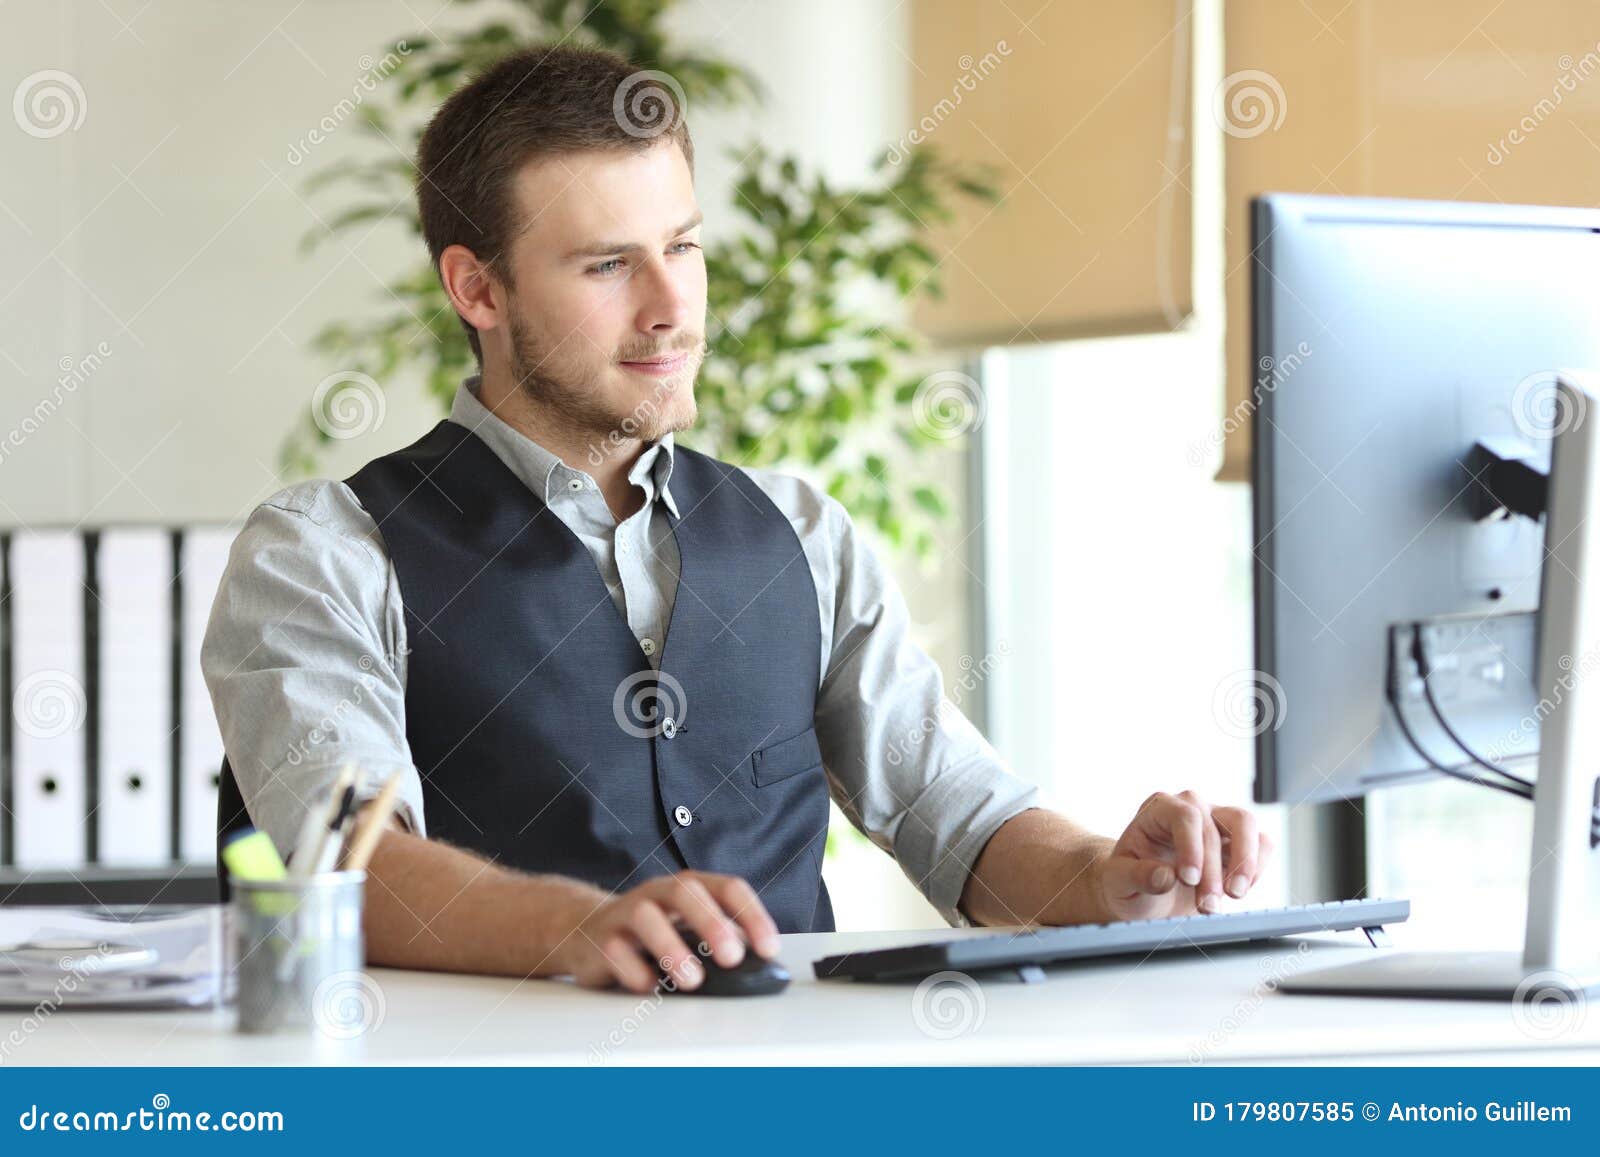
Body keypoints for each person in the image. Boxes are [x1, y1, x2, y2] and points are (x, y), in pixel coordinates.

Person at [203, 44, 1271, 995]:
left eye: (685, 245)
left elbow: (958, 813)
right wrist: (580, 926)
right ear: (478, 290)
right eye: (609, 263)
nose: (673, 306)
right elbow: (345, 867)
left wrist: (1107, 875)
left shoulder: (801, 533)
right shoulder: (325, 551)